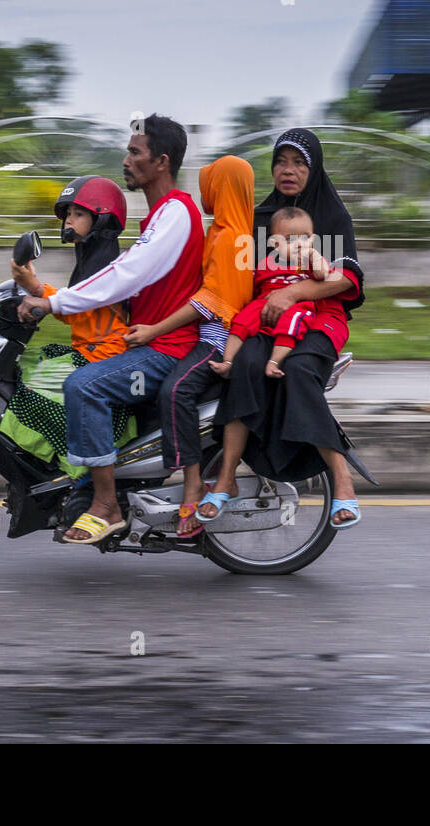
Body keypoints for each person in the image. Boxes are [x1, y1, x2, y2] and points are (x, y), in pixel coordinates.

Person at [16, 114, 204, 545]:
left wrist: (51, 301)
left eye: (135, 152)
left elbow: (125, 276)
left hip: (167, 348)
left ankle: (106, 506)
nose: (126, 160)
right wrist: (43, 293)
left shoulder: (177, 211)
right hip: (150, 341)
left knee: (84, 385)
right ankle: (80, 487)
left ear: (161, 161)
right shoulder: (157, 218)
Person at [200, 128, 365, 529]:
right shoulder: (262, 219)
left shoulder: (331, 216)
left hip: (321, 317)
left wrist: (293, 294)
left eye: (298, 163)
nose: (287, 171)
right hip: (266, 319)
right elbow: (244, 275)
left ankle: (343, 481)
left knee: (301, 371)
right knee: (244, 368)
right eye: (280, 161)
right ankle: (226, 479)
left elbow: (347, 277)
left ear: (314, 168)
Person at [125, 155, 255, 539]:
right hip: (207, 336)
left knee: (175, 390)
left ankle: (193, 482)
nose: (204, 191)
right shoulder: (222, 230)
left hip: (218, 340)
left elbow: (211, 302)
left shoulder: (232, 237)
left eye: (211, 184)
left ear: (223, 188)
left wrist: (154, 330)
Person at [0, 176, 133, 474]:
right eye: (68, 213)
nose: (69, 220)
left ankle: (76, 472)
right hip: (88, 353)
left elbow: (77, 306)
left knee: (34, 386)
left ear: (102, 220)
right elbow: (73, 304)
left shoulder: (109, 267)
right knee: (33, 365)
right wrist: (35, 291)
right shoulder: (90, 259)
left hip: (102, 359)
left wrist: (35, 288)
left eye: (78, 214)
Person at [209, 205, 347, 381]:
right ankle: (227, 362)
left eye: (305, 238)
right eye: (290, 240)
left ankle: (274, 362)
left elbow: (323, 274)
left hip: (299, 304)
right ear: (275, 244)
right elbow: (250, 284)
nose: (299, 244)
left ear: (312, 239)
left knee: (292, 322)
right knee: (241, 321)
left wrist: (313, 254)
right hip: (264, 302)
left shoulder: (309, 262)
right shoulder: (266, 262)